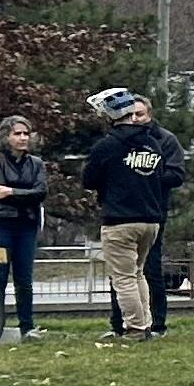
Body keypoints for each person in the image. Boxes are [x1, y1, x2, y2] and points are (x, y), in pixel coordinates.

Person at [78, 87, 186, 342]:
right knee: (139, 274)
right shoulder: (153, 143)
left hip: (120, 220)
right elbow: (160, 177)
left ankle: (135, 328)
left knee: (123, 278)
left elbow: (88, 179)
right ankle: (147, 323)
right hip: (151, 219)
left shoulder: (107, 146)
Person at [0, 116, 51, 340]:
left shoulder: (36, 163)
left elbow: (41, 192)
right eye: (17, 134)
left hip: (26, 224)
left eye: (25, 134)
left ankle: (27, 326)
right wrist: (21, 194)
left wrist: (11, 192)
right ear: (6, 137)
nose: (22, 138)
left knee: (24, 278)